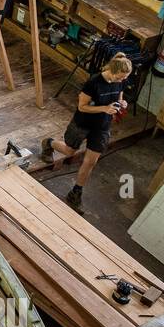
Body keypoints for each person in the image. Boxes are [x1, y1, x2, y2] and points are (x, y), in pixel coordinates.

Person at [40, 52, 134, 214]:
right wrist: (104, 108)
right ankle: (49, 143)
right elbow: (82, 107)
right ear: (112, 70)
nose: (123, 80)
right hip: (83, 123)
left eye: (125, 77)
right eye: (120, 77)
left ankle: (76, 192)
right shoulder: (94, 82)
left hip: (102, 126)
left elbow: (119, 95)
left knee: (91, 161)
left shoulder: (120, 81)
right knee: (69, 151)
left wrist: (121, 102)